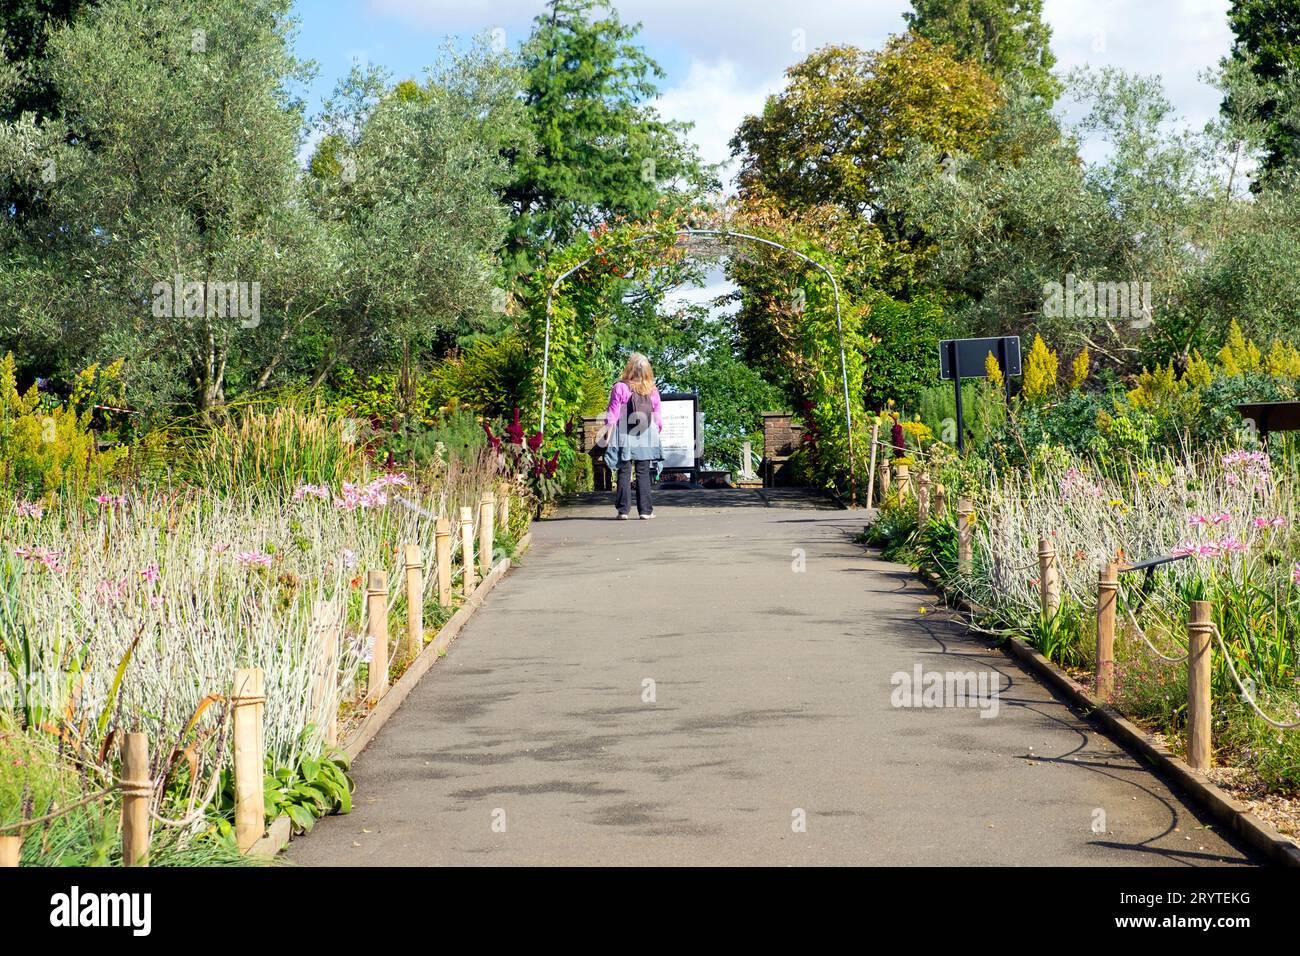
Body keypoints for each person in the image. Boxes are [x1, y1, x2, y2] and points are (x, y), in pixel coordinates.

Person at [600, 353, 663, 519]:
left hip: (625, 432)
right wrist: (657, 432)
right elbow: (657, 417)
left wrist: (608, 432)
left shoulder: (620, 387)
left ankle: (623, 511)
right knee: (643, 471)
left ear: (629, 368)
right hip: (646, 433)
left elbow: (612, 414)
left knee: (624, 470)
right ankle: (645, 511)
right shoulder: (652, 390)